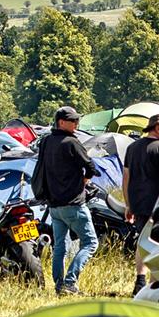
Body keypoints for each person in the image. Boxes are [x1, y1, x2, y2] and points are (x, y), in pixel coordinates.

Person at [38, 105, 98, 294]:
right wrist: (85, 179)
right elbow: (91, 166)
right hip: (73, 204)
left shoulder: (46, 141)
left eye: (77, 120)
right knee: (90, 243)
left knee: (60, 247)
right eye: (73, 121)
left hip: (54, 205)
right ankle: (70, 282)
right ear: (61, 122)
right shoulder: (71, 142)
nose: (76, 124)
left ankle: (58, 285)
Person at [125, 114, 159, 293]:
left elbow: (126, 178)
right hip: (158, 206)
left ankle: (140, 280)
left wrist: (128, 204)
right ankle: (153, 286)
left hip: (138, 204)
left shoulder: (132, 147)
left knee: (142, 242)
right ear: (157, 127)